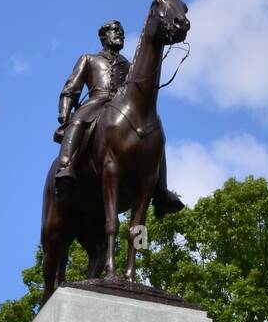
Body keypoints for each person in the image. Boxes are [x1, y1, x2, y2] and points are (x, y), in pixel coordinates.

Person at [53, 20, 183, 215]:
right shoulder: (89, 59)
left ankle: (161, 190)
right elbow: (71, 89)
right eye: (115, 31)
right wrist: (65, 114)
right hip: (97, 102)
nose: (119, 34)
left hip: (122, 107)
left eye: (121, 32)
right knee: (79, 120)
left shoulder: (130, 65)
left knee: (156, 130)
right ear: (103, 37)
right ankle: (66, 168)